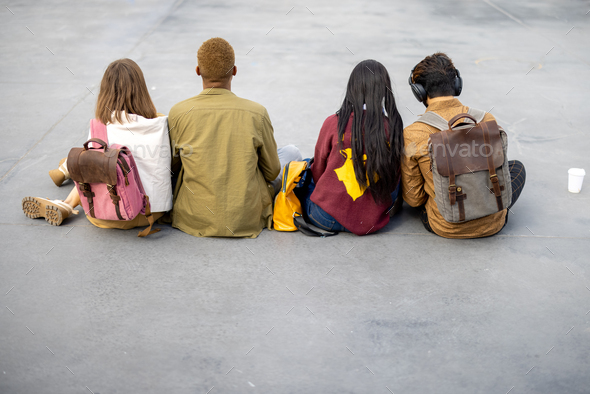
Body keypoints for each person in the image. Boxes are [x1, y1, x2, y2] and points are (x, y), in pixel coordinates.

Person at [168, 37, 301, 238]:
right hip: (247, 216)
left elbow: (172, 167)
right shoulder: (257, 112)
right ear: (234, 71)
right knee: (292, 152)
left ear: (197, 71)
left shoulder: (179, 112)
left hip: (194, 217)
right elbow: (273, 171)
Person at [22, 58, 173, 229]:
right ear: (142, 90)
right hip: (151, 214)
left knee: (91, 163)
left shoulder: (100, 126)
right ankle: (65, 170)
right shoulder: (159, 123)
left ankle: (67, 198)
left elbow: (94, 170)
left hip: (107, 214)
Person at [402, 52, 526, 238]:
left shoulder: (413, 133)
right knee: (517, 167)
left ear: (419, 91)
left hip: (445, 226)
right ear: (457, 85)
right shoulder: (486, 120)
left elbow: (414, 199)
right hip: (493, 224)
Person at [301, 59, 404, 235]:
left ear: (352, 88)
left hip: (324, 218)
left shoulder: (333, 123)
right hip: (371, 222)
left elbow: (318, 170)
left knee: (305, 167)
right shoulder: (392, 126)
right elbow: (393, 180)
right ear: (384, 90)